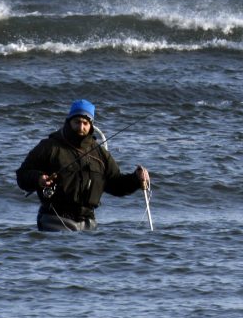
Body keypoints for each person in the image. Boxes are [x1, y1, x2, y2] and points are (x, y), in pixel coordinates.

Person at [16, 99, 150, 231]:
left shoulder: (100, 154)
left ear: (91, 125)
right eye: (77, 122)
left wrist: (136, 179)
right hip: (54, 219)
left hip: (88, 223)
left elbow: (116, 185)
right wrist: (39, 179)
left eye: (85, 123)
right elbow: (22, 175)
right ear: (69, 122)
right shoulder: (49, 147)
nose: (81, 127)